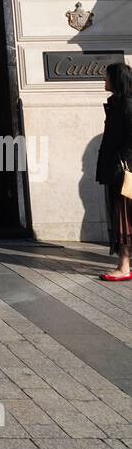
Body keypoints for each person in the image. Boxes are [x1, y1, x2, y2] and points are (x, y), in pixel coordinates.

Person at [95, 60, 132, 282]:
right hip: (117, 169)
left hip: (123, 171)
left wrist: (123, 162)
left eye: (106, 76)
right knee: (121, 216)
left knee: (123, 218)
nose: (104, 80)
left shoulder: (127, 105)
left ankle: (124, 266)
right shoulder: (118, 104)